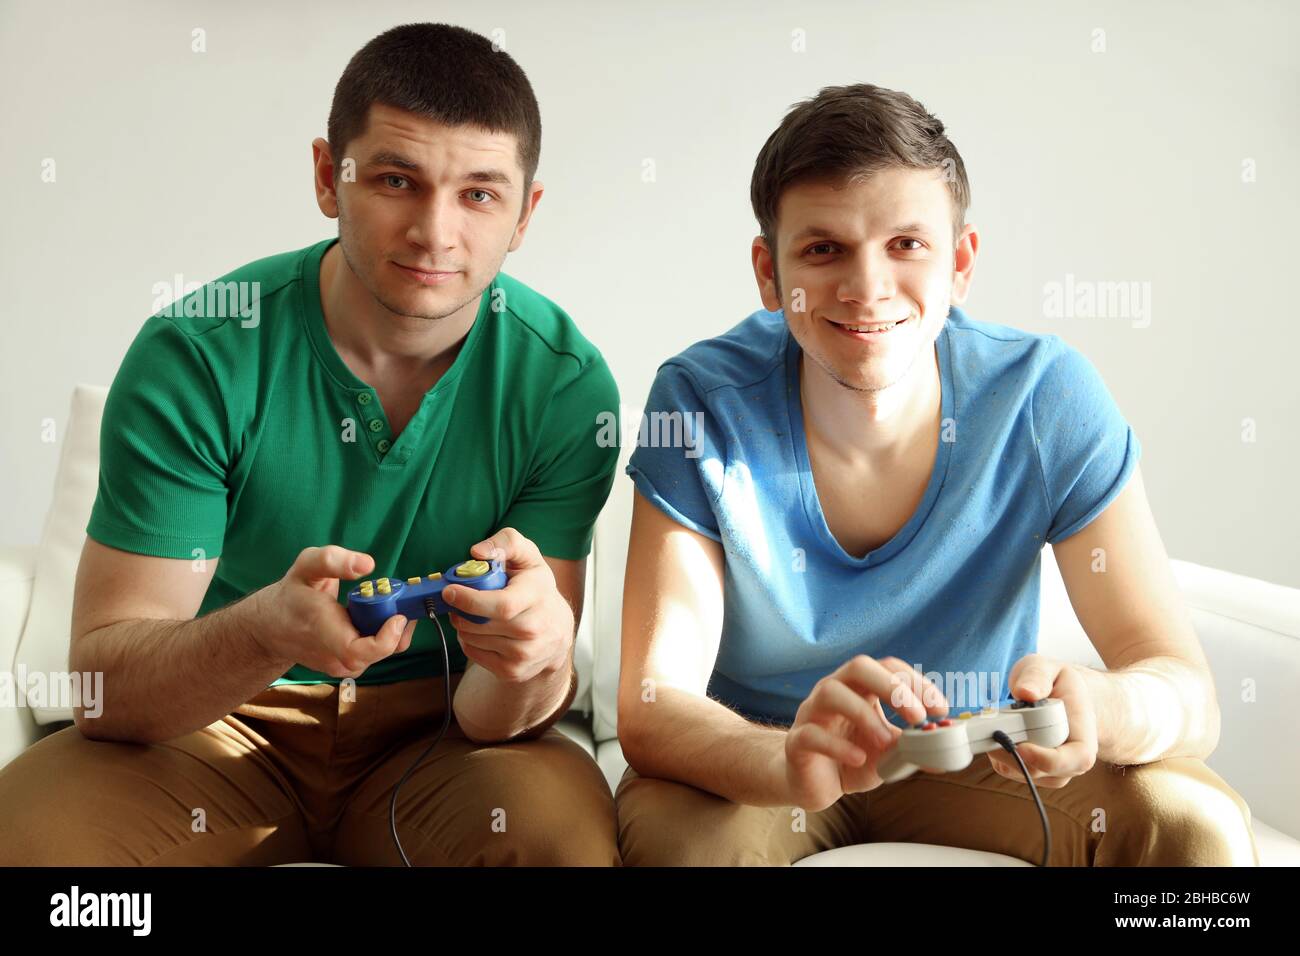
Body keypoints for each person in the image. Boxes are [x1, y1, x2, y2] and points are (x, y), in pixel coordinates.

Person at [0, 22, 621, 866]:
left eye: (479, 193)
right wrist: (265, 634)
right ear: (331, 177)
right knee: (35, 848)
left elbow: (496, 717)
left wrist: (537, 659)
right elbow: (106, 692)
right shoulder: (198, 351)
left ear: (525, 214)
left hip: (441, 742)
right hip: (208, 728)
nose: (435, 232)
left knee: (559, 845)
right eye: (399, 180)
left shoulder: (564, 387)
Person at [614, 83, 1258, 866]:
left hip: (978, 753)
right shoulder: (700, 400)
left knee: (1194, 827)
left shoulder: (1042, 395)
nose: (867, 287)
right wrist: (791, 759)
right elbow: (653, 708)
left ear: (959, 264)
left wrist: (1104, 706)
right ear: (769, 272)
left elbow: (1188, 693)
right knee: (678, 845)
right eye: (823, 249)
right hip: (772, 763)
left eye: (906, 245)